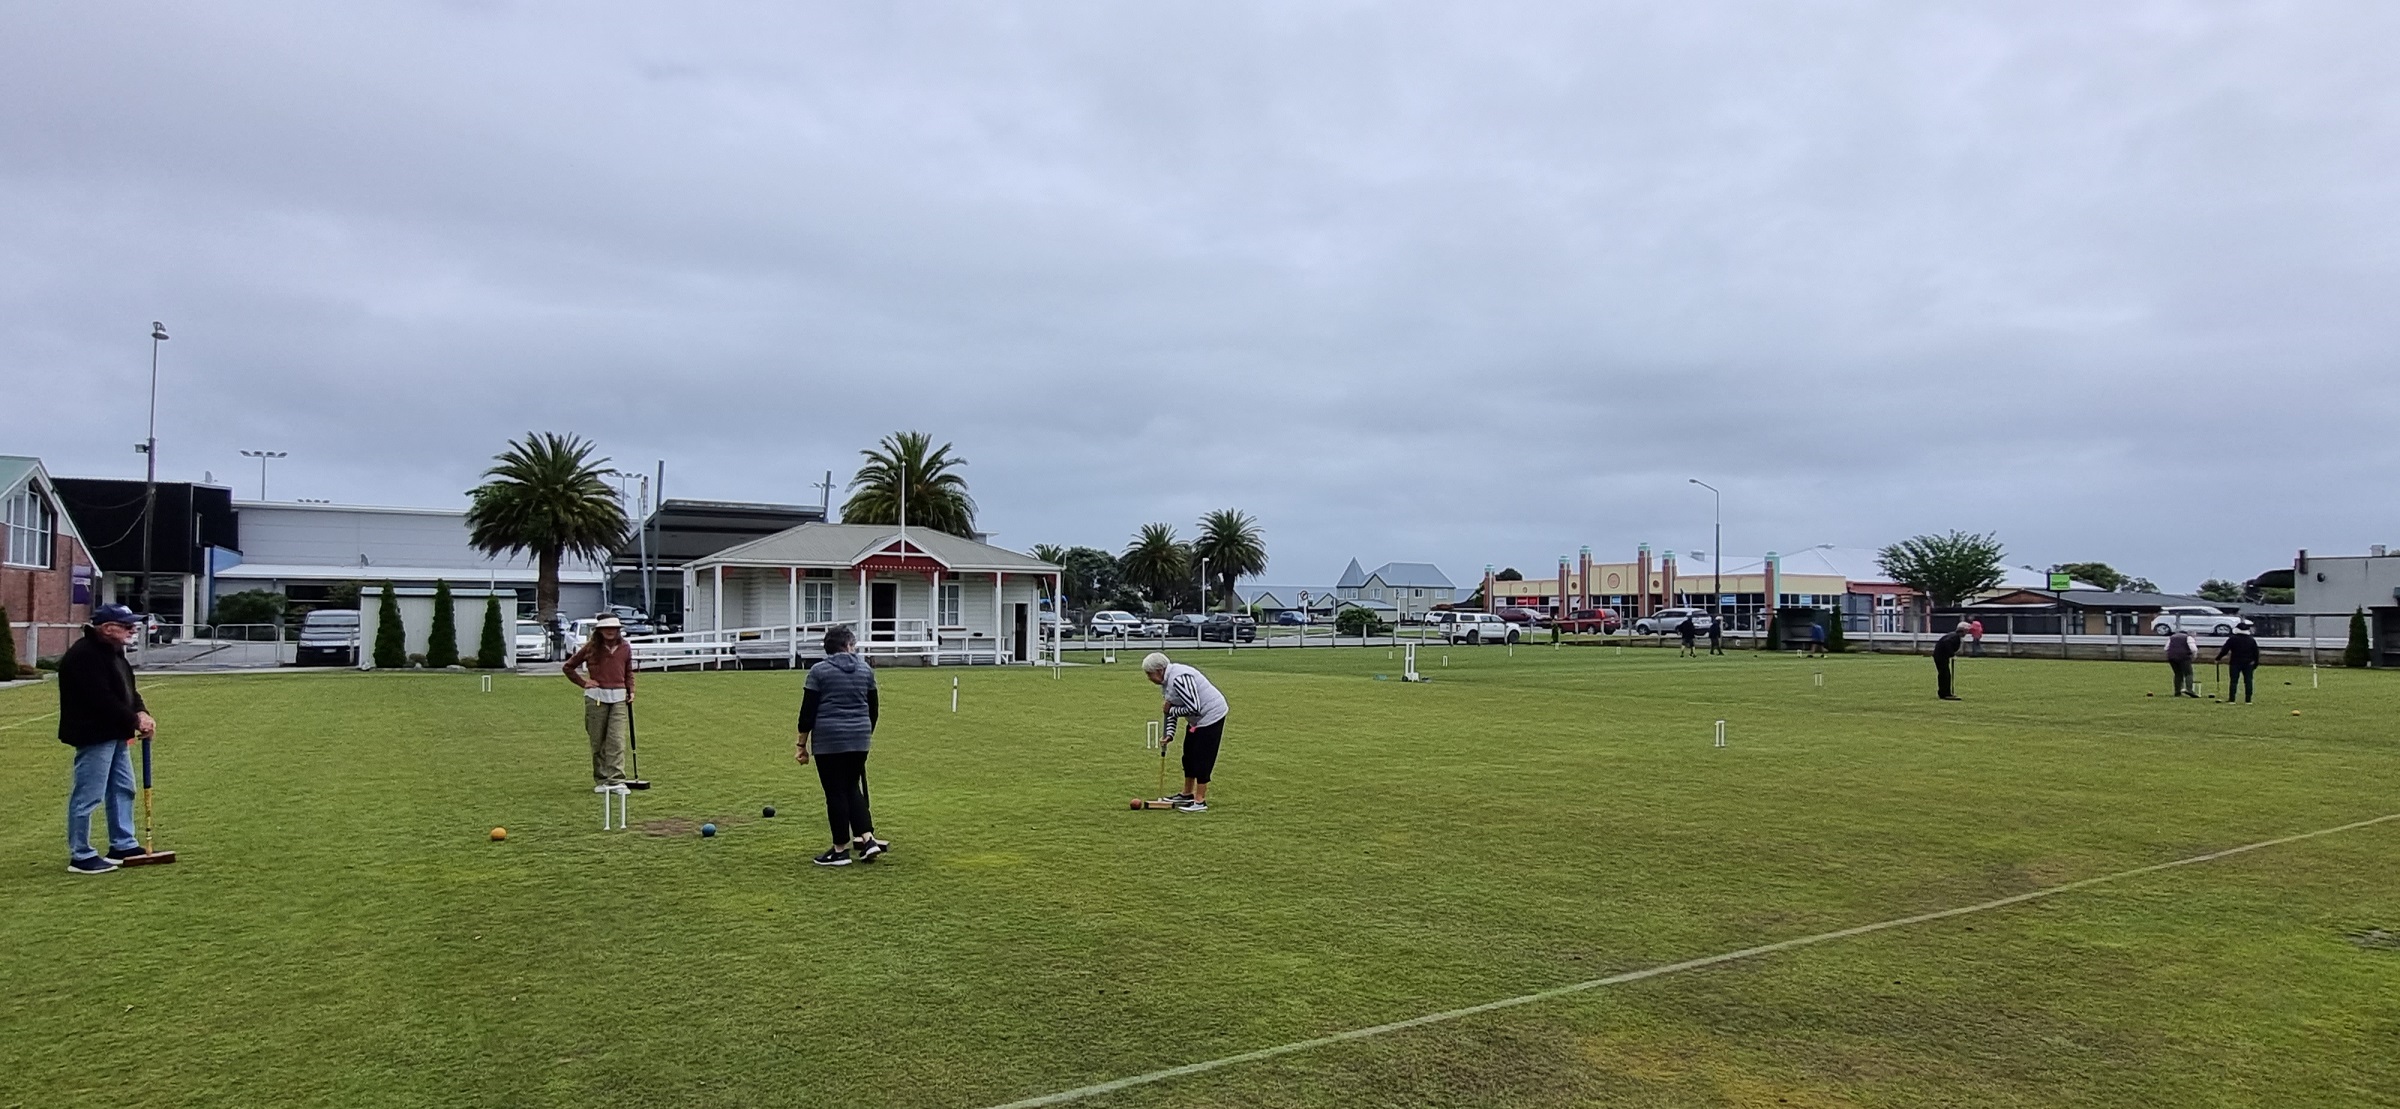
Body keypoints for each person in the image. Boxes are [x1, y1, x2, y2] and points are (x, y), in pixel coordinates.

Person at [57, 604, 155, 875]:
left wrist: (141, 711)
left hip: (116, 732)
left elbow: (127, 689)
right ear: (107, 628)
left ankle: (122, 844)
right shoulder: (84, 656)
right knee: (88, 794)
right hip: (93, 733)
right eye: (126, 626)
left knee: (123, 787)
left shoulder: (115, 652)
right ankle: (81, 854)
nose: (132, 630)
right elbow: (101, 699)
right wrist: (134, 720)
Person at [796, 624, 886, 866]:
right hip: (860, 737)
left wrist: (801, 745)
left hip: (829, 740)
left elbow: (808, 711)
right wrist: (865, 735)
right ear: (847, 645)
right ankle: (868, 840)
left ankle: (839, 851)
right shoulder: (865, 670)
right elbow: (873, 709)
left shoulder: (818, 672)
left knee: (835, 792)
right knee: (851, 788)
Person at [1144, 652, 1229, 813]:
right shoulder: (1166, 683)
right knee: (1188, 755)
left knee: (1202, 757)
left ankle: (1200, 801)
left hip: (1211, 715)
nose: (1149, 678)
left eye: (1150, 674)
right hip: (1196, 720)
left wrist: (1172, 710)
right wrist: (1169, 734)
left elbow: (1193, 707)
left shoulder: (1179, 678)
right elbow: (1170, 709)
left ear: (1160, 670)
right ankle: (1187, 794)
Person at [563, 614, 635, 792]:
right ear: (600, 630)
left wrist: (631, 689)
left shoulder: (625, 647)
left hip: (619, 697)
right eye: (606, 628)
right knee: (598, 741)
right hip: (595, 697)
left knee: (616, 740)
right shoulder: (591, 648)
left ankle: (616, 780)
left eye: (614, 628)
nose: (610, 631)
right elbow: (568, 667)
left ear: (619, 630)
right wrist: (584, 682)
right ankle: (602, 779)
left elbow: (628, 671)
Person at [2216, 621, 2261, 704]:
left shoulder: (2232, 639)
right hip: (2248, 663)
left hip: (2235, 662)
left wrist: (2218, 658)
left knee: (2233, 681)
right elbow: (2256, 653)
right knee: (2248, 681)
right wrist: (2255, 663)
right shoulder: (2251, 640)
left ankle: (2232, 699)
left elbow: (2225, 650)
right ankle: (2248, 700)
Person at [1933, 622, 1965, 700]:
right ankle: (1945, 693)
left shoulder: (1953, 635)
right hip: (1941, 656)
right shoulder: (1955, 636)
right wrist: (1952, 654)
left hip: (1940, 656)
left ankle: (1944, 693)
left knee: (1944, 674)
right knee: (1945, 674)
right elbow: (1946, 643)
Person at [2165, 628, 2198, 698]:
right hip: (2184, 657)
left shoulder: (2172, 637)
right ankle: (2189, 690)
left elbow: (2166, 648)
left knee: (2177, 674)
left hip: (2172, 657)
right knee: (2189, 673)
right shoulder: (2188, 638)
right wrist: (2194, 656)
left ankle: (2177, 691)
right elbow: (2194, 649)